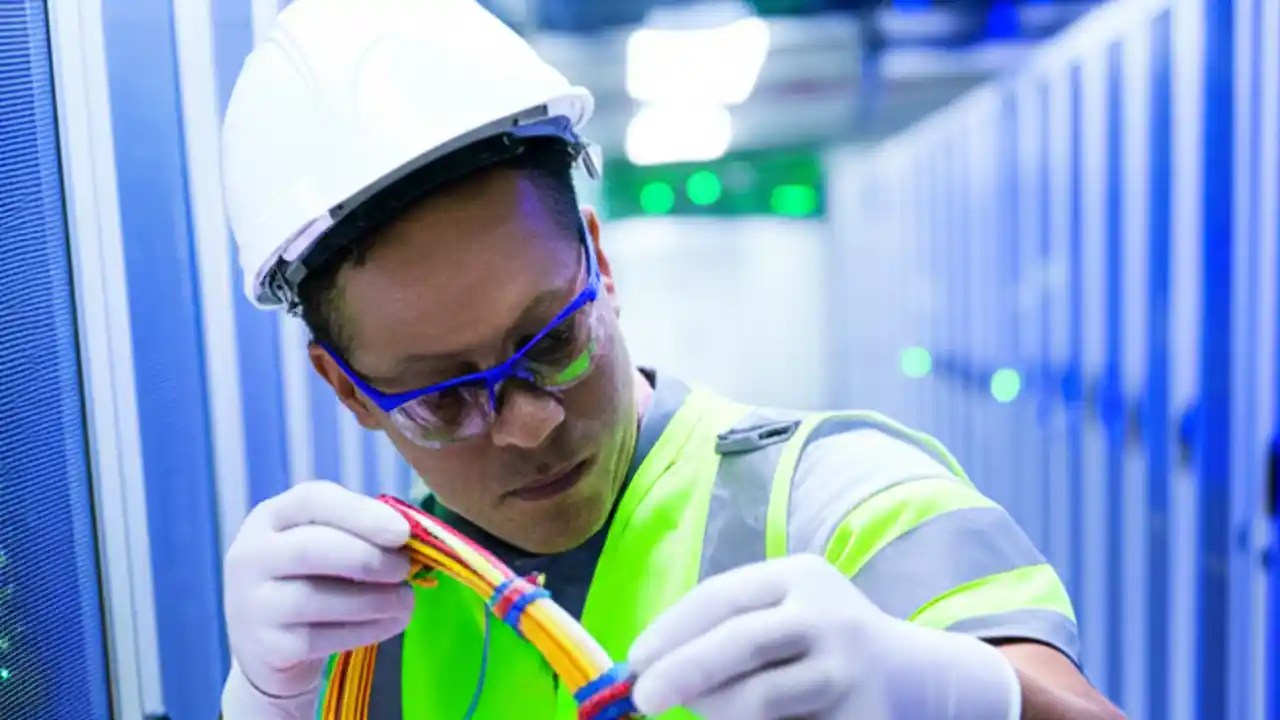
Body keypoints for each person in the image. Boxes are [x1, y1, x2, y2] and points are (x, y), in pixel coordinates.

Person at [216, 1, 1124, 718]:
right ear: (349, 390)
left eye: (553, 339)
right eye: (446, 398)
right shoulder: (358, 634)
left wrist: (967, 701)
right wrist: (264, 704)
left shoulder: (839, 501)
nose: (530, 421)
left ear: (601, 269)